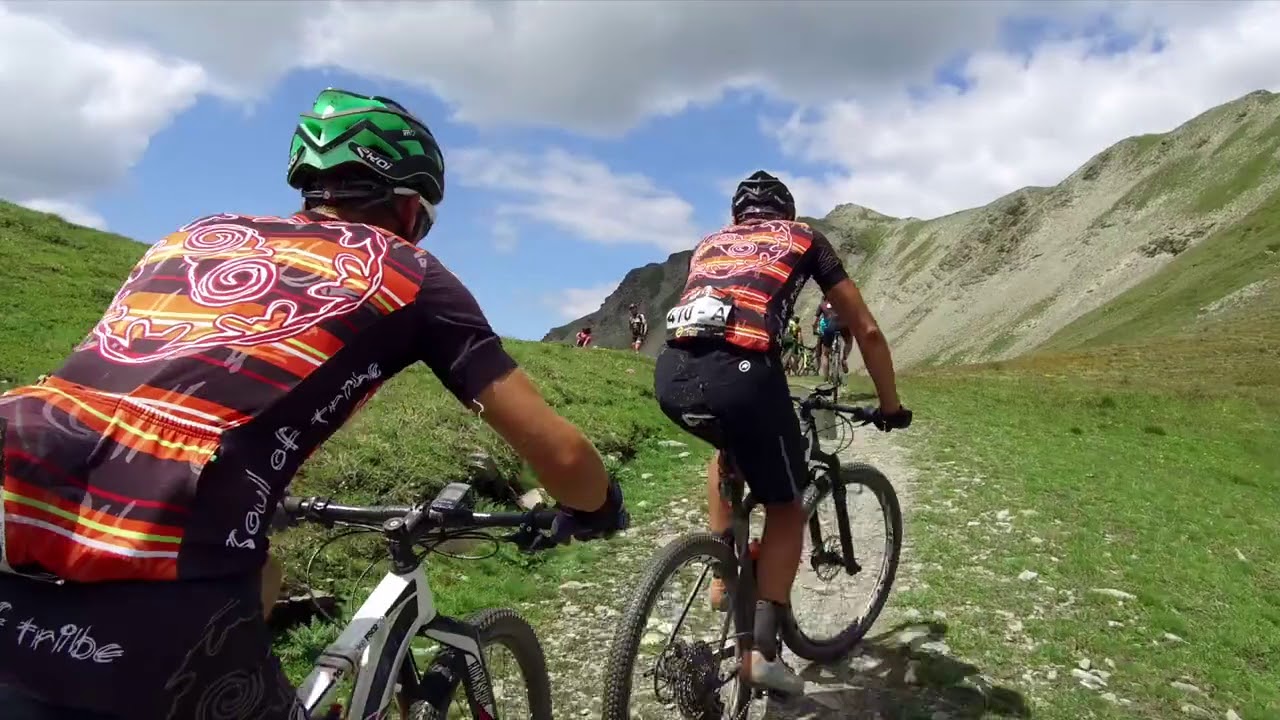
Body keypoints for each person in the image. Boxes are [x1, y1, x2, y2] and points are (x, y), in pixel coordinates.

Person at [0, 87, 628, 720]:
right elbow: (557, 451)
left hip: (19, 478)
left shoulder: (194, 235)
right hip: (174, 529)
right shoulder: (411, 272)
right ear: (410, 206)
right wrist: (597, 507)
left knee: (262, 573)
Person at [653, 170, 912, 695]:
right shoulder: (803, 237)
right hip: (745, 374)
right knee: (787, 503)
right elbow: (866, 329)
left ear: (737, 215)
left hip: (671, 375)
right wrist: (890, 405)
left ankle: (724, 576)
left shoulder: (709, 243)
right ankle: (762, 654)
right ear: (786, 213)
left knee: (728, 450)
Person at [812, 298, 853, 378]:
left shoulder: (822, 304)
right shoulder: (842, 301)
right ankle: (844, 359)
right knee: (849, 341)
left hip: (830, 326)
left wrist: (814, 330)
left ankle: (826, 377)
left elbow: (814, 322)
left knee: (825, 354)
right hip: (843, 324)